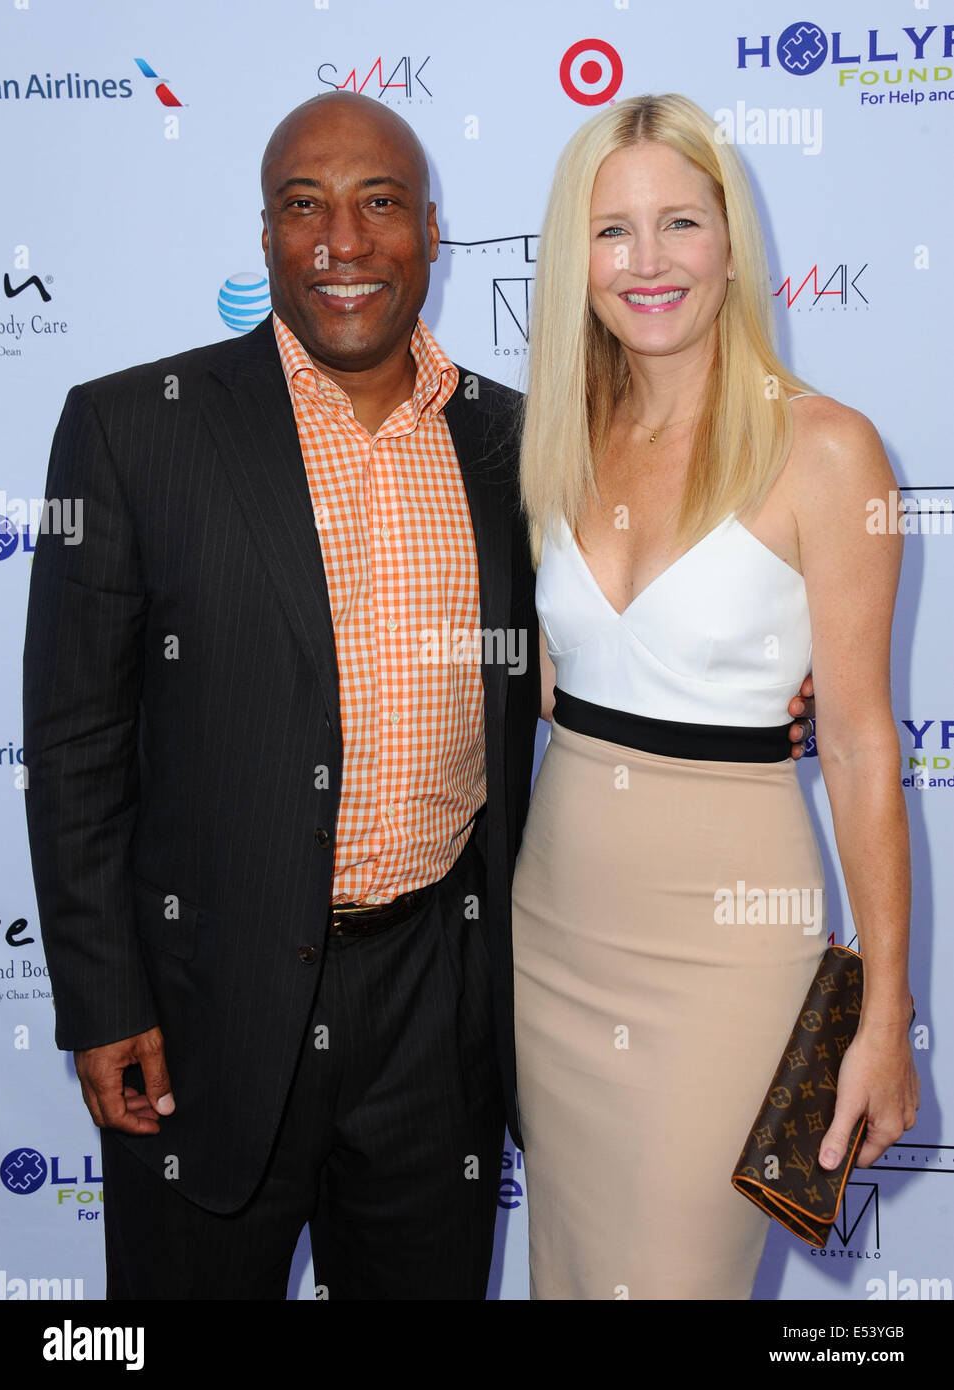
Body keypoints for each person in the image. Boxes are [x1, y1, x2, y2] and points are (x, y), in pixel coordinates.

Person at [22, 90, 540, 1301]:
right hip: (203, 1009)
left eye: (379, 205)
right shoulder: (133, 430)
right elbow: (75, 745)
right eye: (303, 205)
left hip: (439, 1004)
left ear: (430, 232)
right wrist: (103, 1003)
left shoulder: (514, 443)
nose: (342, 242)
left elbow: (612, 635)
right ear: (263, 237)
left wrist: (758, 697)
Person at [512, 93, 918, 1300]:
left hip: (726, 949)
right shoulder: (555, 439)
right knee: (568, 1276)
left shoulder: (828, 449)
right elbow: (550, 692)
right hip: (554, 928)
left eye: (679, 222)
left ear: (731, 241)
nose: (647, 263)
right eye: (611, 231)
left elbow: (854, 745)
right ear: (571, 260)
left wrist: (883, 1015)